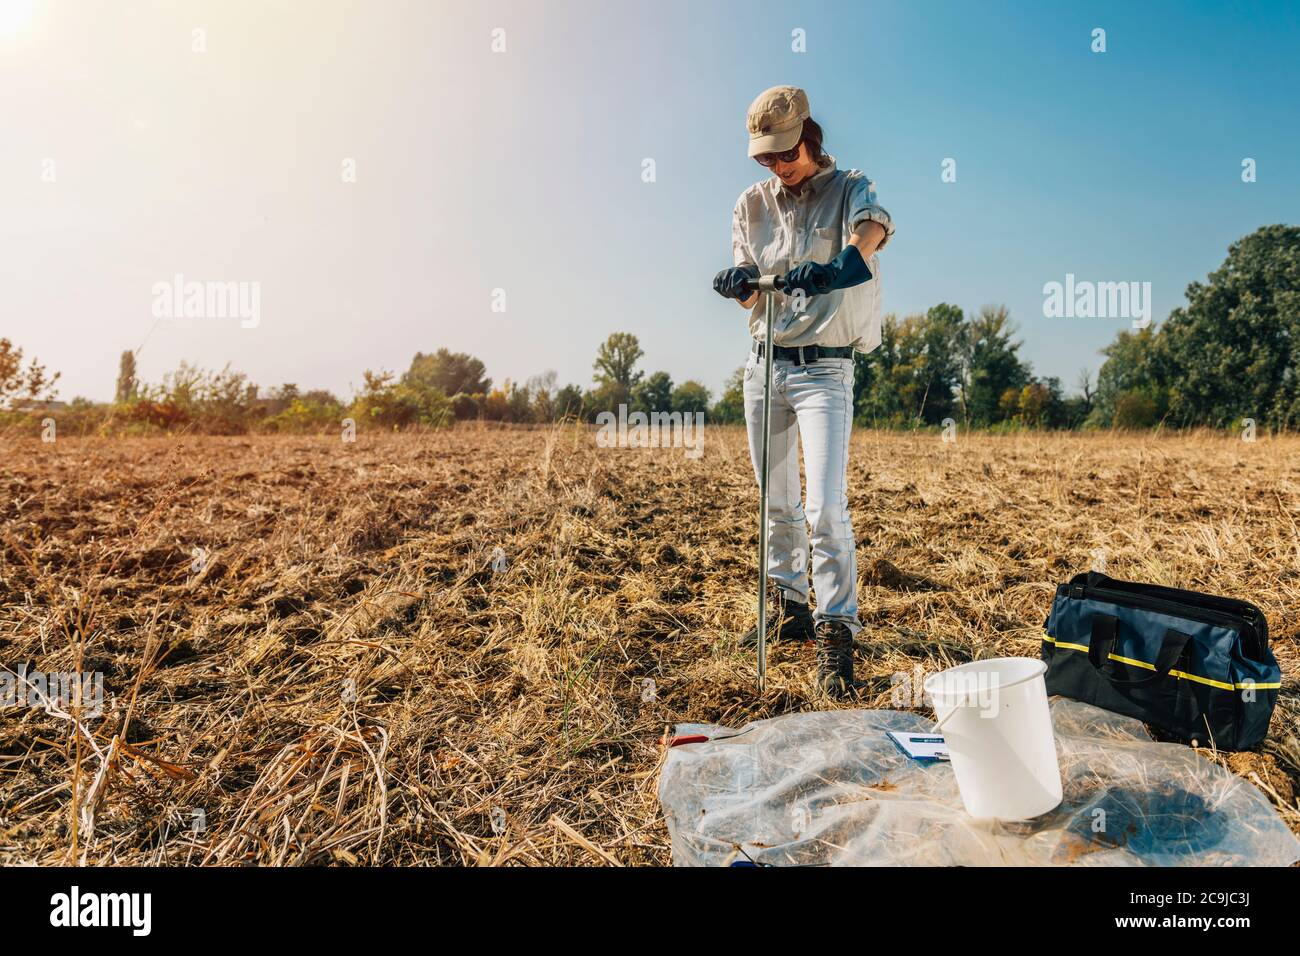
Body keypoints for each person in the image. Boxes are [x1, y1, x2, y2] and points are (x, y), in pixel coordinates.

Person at [713, 85, 894, 697]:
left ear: (808, 139)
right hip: (765, 367)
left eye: (784, 155)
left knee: (823, 506)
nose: (776, 167)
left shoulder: (850, 188)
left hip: (824, 370)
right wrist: (740, 284)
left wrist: (838, 265)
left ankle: (836, 629)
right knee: (776, 502)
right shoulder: (750, 205)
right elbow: (755, 297)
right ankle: (787, 606)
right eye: (764, 158)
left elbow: (869, 235)